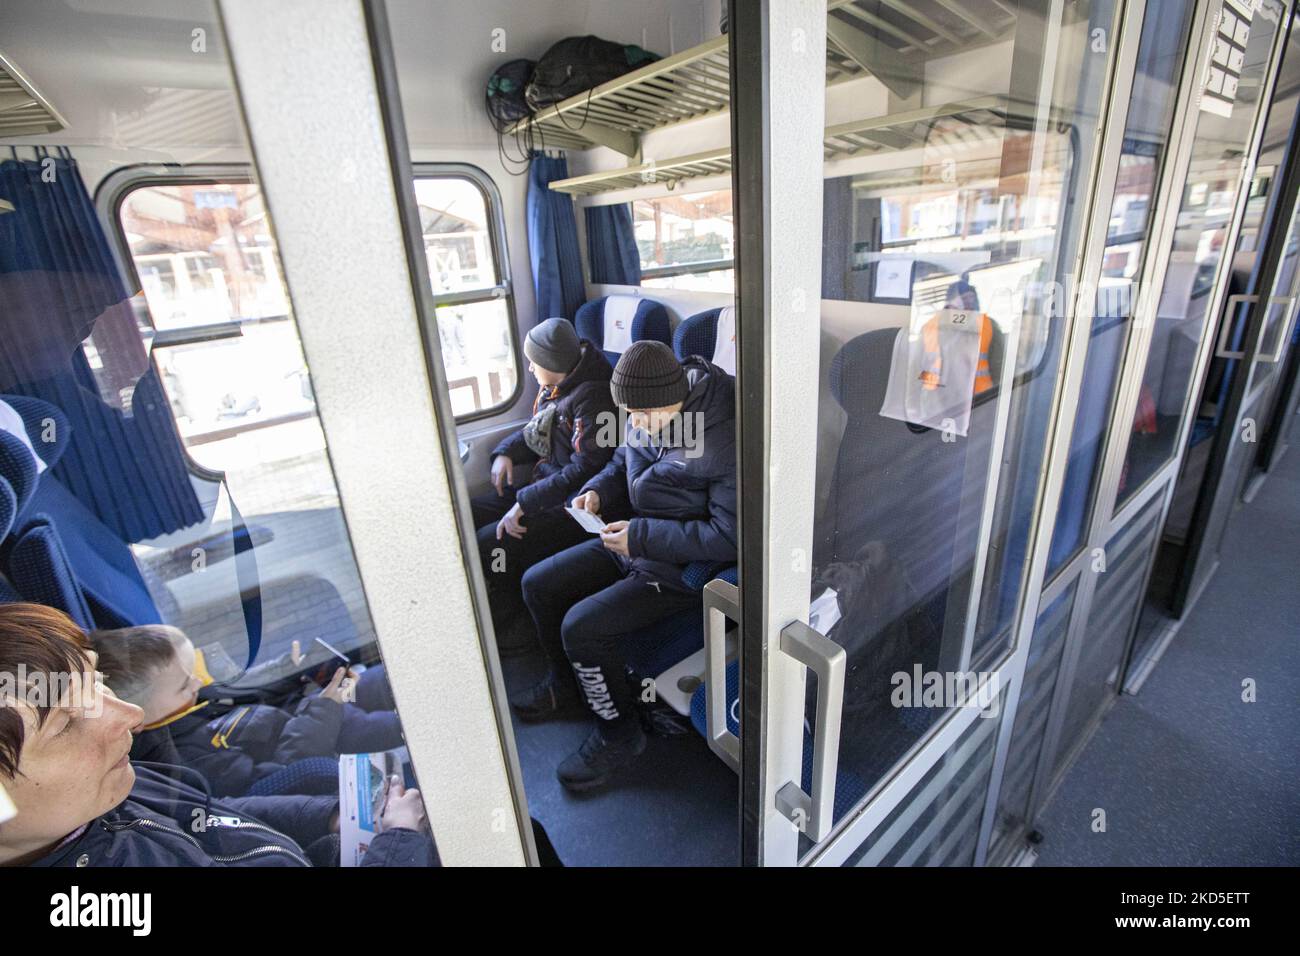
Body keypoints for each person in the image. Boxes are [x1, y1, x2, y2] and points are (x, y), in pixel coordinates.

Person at [0, 603, 434, 867]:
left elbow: (212, 812)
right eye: (64, 724)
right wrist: (398, 844)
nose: (131, 716)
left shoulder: (107, 787)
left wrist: (329, 816)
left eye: (95, 682)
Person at [512, 341, 737, 790]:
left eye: (641, 414)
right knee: (538, 584)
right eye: (628, 413)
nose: (633, 423)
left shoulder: (723, 439)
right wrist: (597, 489)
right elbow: (620, 459)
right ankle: (566, 687)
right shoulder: (646, 409)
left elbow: (726, 535)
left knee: (581, 627)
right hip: (632, 538)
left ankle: (621, 734)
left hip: (678, 567)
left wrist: (640, 537)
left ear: (672, 398)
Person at [89, 624, 404, 797]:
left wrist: (289, 670)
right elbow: (286, 772)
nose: (198, 681)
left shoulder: (188, 699)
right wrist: (325, 711)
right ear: (135, 715)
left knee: (369, 683)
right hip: (326, 737)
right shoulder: (189, 758)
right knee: (388, 724)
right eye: (186, 683)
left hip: (309, 709)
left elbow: (246, 691)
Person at [471, 317, 616, 653]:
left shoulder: (593, 400)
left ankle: (516, 617)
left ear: (552, 363)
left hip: (571, 504)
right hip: (545, 488)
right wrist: (505, 452)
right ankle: (502, 598)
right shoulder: (557, 387)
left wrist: (524, 503)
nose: (530, 367)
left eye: (535, 361)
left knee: (490, 542)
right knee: (472, 512)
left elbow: (585, 470)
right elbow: (539, 431)